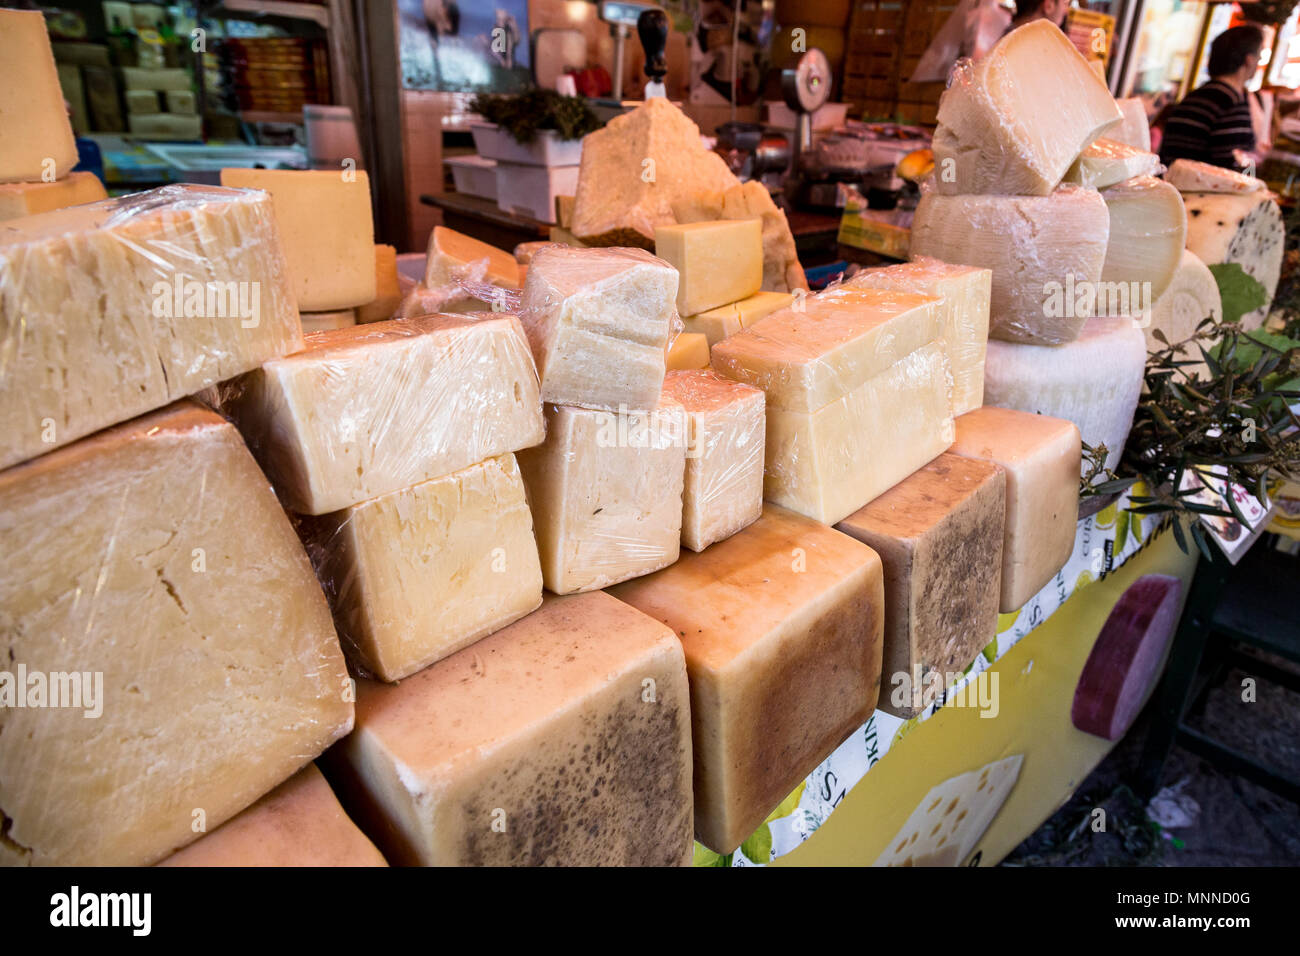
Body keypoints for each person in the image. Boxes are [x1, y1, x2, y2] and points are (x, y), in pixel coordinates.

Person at [1158, 25, 1265, 171]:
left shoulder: (1192, 97)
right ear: (1249, 60)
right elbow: (1234, 168)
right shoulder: (1232, 103)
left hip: (1173, 186)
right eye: (1259, 56)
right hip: (1202, 191)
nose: (1258, 62)